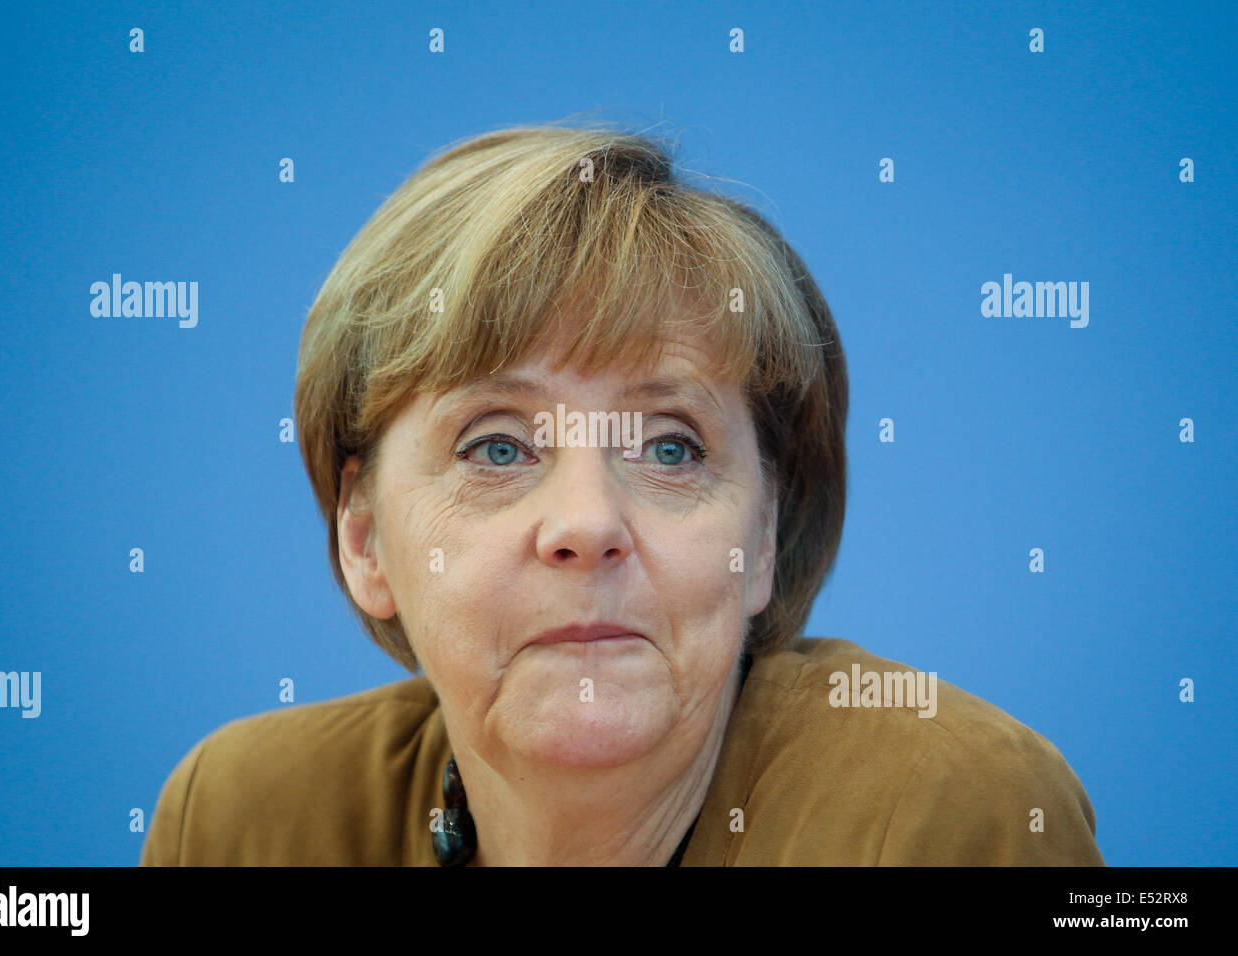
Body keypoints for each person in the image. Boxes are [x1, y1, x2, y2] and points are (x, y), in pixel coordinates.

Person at [139, 122, 1103, 866]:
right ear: (364, 539)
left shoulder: (940, 816)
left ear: (763, 534)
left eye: (671, 450)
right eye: (499, 448)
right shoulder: (236, 821)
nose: (589, 524)